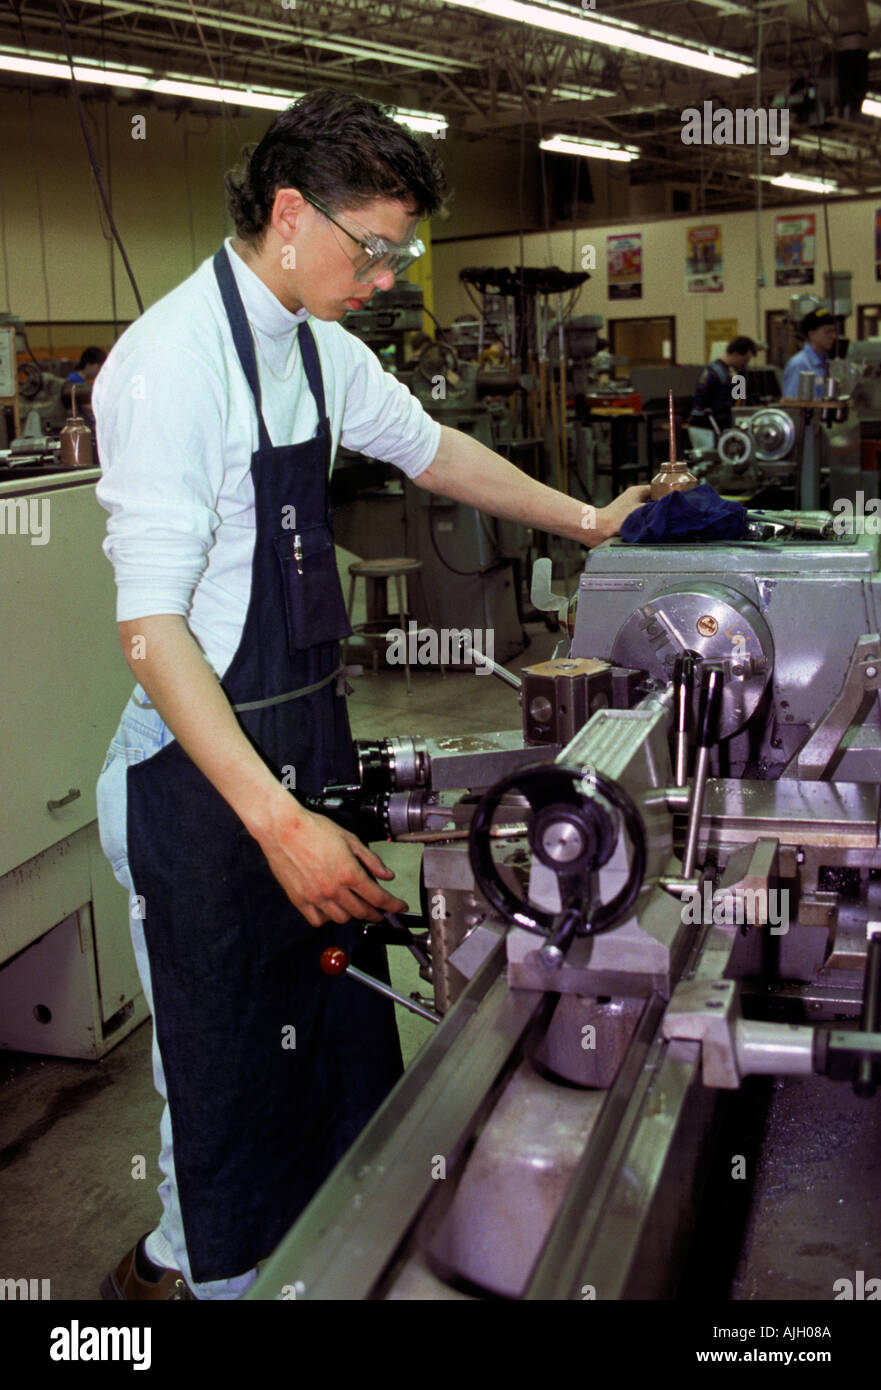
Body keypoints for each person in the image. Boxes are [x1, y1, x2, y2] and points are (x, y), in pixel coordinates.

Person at [93, 88, 649, 1303]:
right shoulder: (174, 367)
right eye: (377, 247)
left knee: (333, 1047)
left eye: (402, 251)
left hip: (306, 750)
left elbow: (433, 449)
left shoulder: (313, 346)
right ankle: (204, 1281)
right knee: (226, 1074)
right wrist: (275, 821)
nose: (390, 276)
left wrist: (584, 517)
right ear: (290, 215)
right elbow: (151, 631)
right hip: (202, 784)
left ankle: (310, 1265)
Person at [687, 335, 757, 451]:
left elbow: (738, 400)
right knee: (708, 463)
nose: (745, 364)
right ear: (735, 354)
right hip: (706, 428)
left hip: (719, 426)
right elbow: (703, 403)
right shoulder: (713, 373)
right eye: (745, 360)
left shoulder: (731, 373)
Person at [781, 308, 837, 398]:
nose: (833, 336)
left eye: (834, 331)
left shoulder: (825, 362)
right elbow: (793, 405)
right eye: (828, 332)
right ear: (812, 334)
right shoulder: (800, 364)